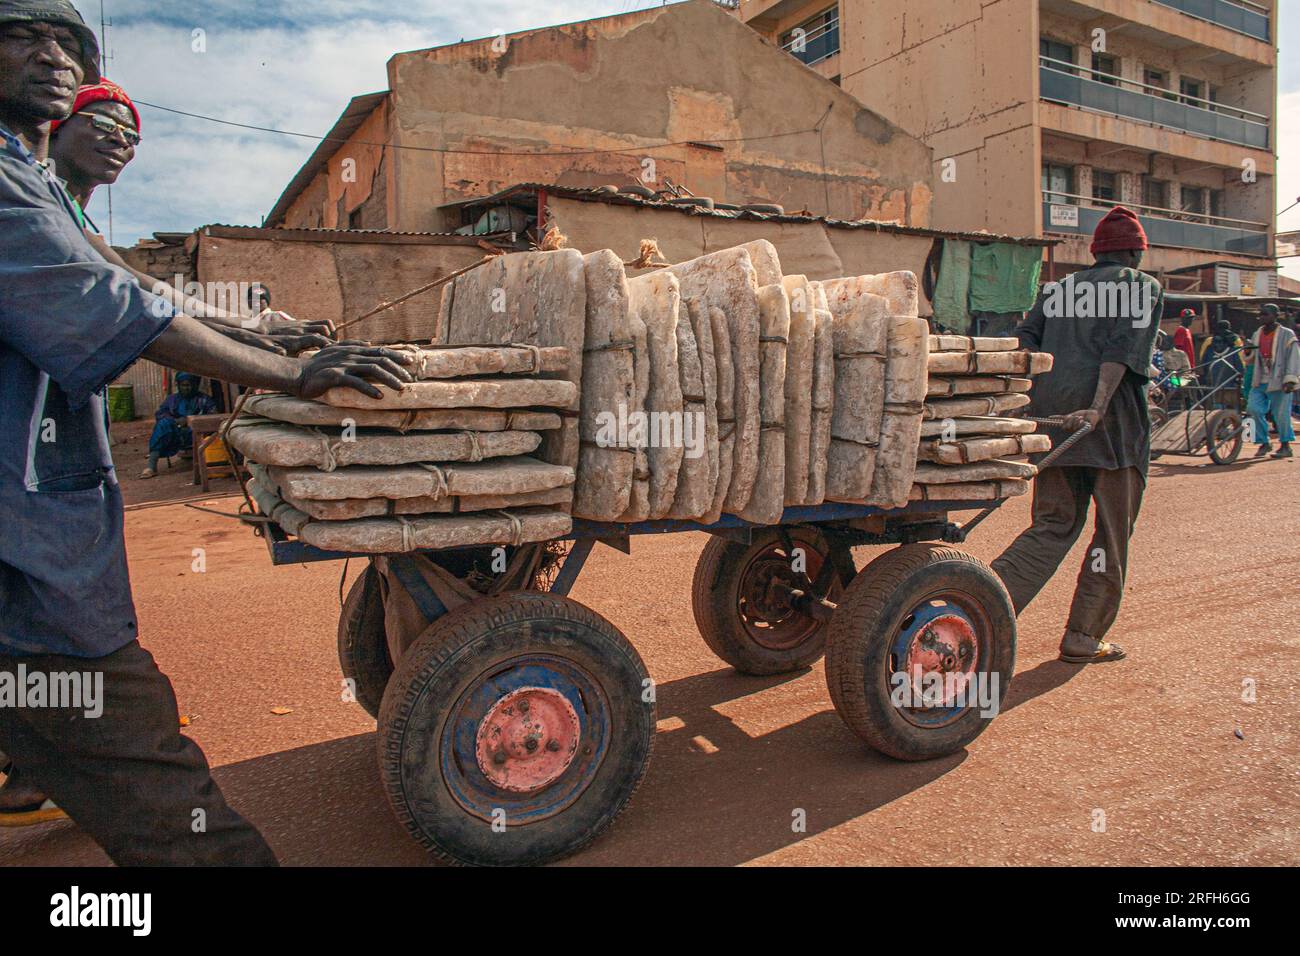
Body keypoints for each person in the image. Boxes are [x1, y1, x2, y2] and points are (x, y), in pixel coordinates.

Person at [0, 0, 415, 862]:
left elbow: (151, 298)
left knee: (78, 732)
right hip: (23, 562)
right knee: (162, 792)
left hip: (37, 538)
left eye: (71, 47)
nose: (54, 60)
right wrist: (290, 372)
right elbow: (118, 308)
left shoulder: (37, 186)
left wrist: (259, 335)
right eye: (24, 38)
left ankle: (37, 767)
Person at [44, 76, 333, 356]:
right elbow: (135, 302)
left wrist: (259, 328)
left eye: (131, 135)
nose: (120, 139)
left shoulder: (71, 212)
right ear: (57, 126)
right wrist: (275, 353)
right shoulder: (37, 198)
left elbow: (139, 284)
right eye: (103, 124)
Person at [991, 206, 1162, 664]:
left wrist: (1030, 402)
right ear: (1134, 252)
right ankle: (1083, 637)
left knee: (1051, 525)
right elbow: (1122, 349)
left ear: (1095, 253)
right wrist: (1097, 406)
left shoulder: (1057, 290)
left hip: (1055, 426)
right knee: (1111, 536)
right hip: (1114, 433)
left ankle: (981, 612)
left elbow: (1024, 343)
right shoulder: (1141, 287)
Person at [1244, 303, 1299, 459]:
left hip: (1280, 381)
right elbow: (1251, 359)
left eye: (1265, 314)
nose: (1262, 317)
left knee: (1280, 414)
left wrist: (1290, 379)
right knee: (1253, 409)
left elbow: (1294, 358)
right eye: (1261, 314)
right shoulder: (1257, 333)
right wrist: (1248, 351)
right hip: (1260, 380)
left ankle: (1285, 445)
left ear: (1275, 315)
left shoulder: (1287, 334)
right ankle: (1264, 442)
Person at [142, 371, 216, 478]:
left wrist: (190, 421)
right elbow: (161, 414)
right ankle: (151, 467)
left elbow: (212, 416)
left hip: (195, 434)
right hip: (174, 433)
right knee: (163, 425)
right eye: (184, 385)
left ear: (196, 385)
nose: (187, 388)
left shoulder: (204, 400)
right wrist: (176, 421)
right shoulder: (172, 400)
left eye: (190, 385)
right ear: (178, 385)